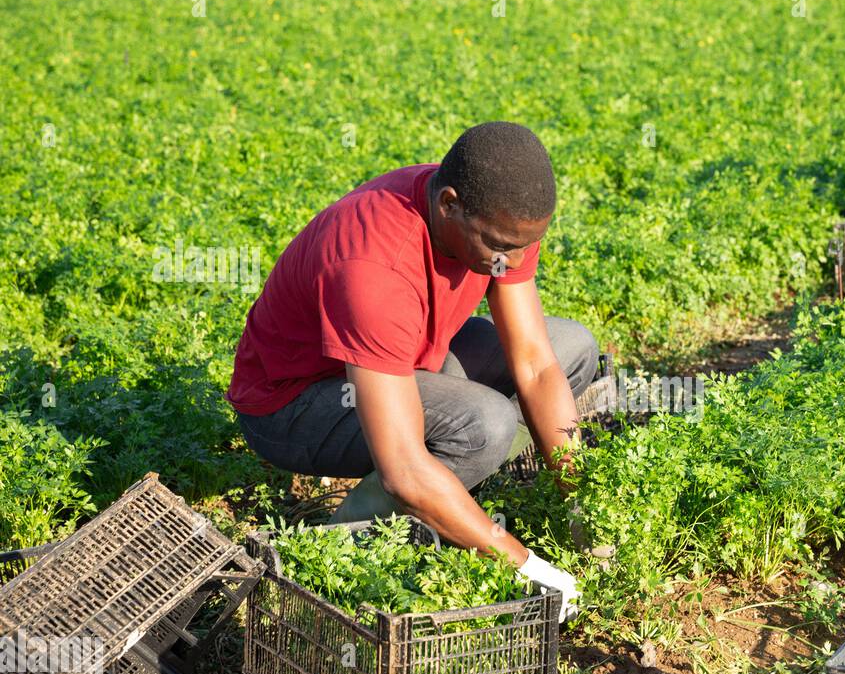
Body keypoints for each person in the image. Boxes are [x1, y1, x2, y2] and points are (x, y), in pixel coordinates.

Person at [225, 121, 591, 619]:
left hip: (402, 357)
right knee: (483, 426)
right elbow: (400, 468)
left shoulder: (500, 219)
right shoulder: (373, 263)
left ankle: (452, 492)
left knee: (572, 346)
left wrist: (580, 499)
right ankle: (332, 552)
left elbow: (536, 361)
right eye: (500, 246)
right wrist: (525, 567)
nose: (514, 260)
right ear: (450, 205)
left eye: (526, 245)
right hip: (295, 404)